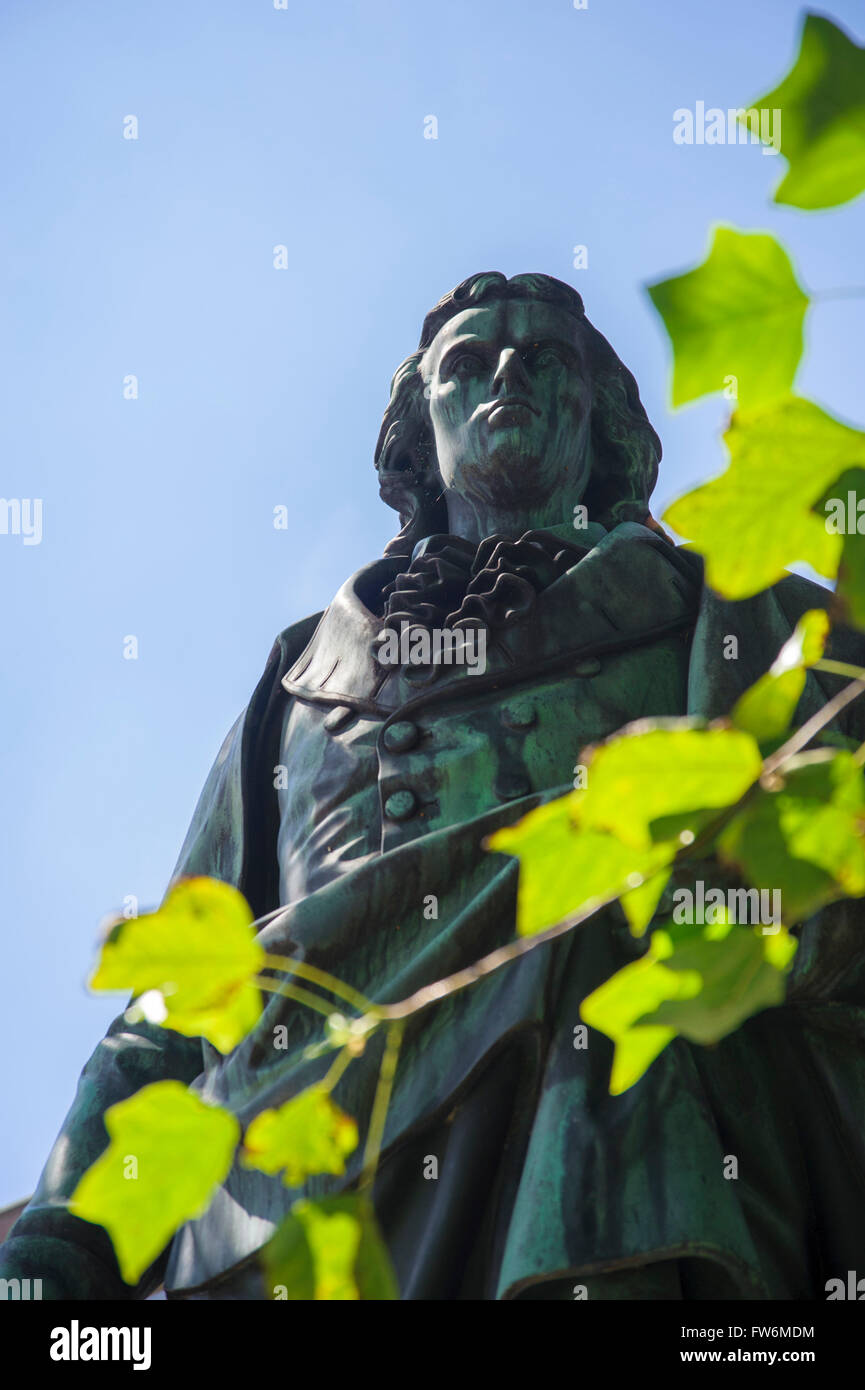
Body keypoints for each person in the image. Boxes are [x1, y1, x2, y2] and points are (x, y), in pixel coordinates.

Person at [5, 272, 865, 1300]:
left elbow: (815, 898)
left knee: (587, 962)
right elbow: (179, 996)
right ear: (421, 430)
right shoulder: (297, 676)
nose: (509, 370)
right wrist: (56, 1233)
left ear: (601, 425)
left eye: (546, 358)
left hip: (594, 1083)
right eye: (468, 360)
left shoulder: (719, 611)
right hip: (288, 1145)